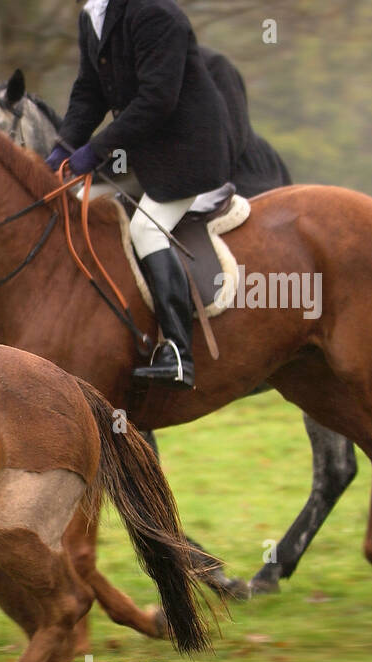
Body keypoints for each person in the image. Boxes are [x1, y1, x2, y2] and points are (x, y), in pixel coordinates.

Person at [45, 0, 237, 388]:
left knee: (146, 230)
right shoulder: (92, 15)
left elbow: (156, 100)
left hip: (188, 150)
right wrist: (64, 146)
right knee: (77, 205)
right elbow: (89, 92)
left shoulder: (155, 13)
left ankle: (179, 353)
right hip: (142, 152)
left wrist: (94, 150)